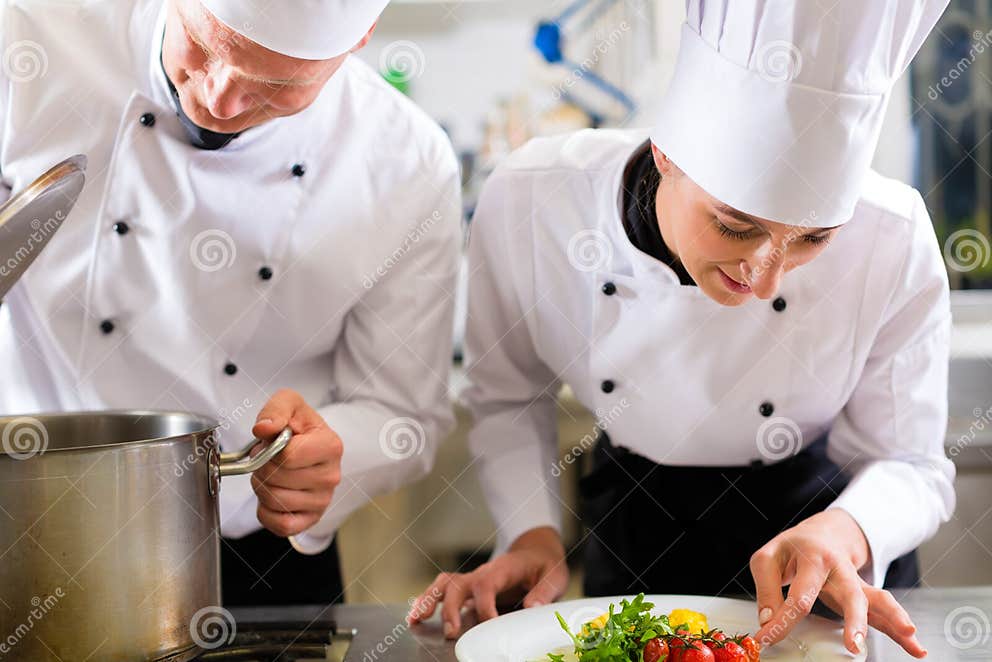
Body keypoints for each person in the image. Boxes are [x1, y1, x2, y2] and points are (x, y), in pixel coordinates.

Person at [410, 0, 954, 657]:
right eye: (735, 225)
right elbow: (506, 395)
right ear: (665, 152)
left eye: (813, 239)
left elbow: (912, 463)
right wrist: (529, 534)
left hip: (819, 544)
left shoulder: (891, 234)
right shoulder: (534, 201)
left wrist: (848, 530)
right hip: (641, 524)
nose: (766, 278)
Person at [0, 0, 461, 605]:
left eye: (275, 84)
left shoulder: (408, 164)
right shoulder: (24, 43)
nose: (218, 101)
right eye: (202, 47)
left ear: (362, 38)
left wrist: (325, 454)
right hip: (23, 526)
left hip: (246, 557)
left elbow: (405, 414)